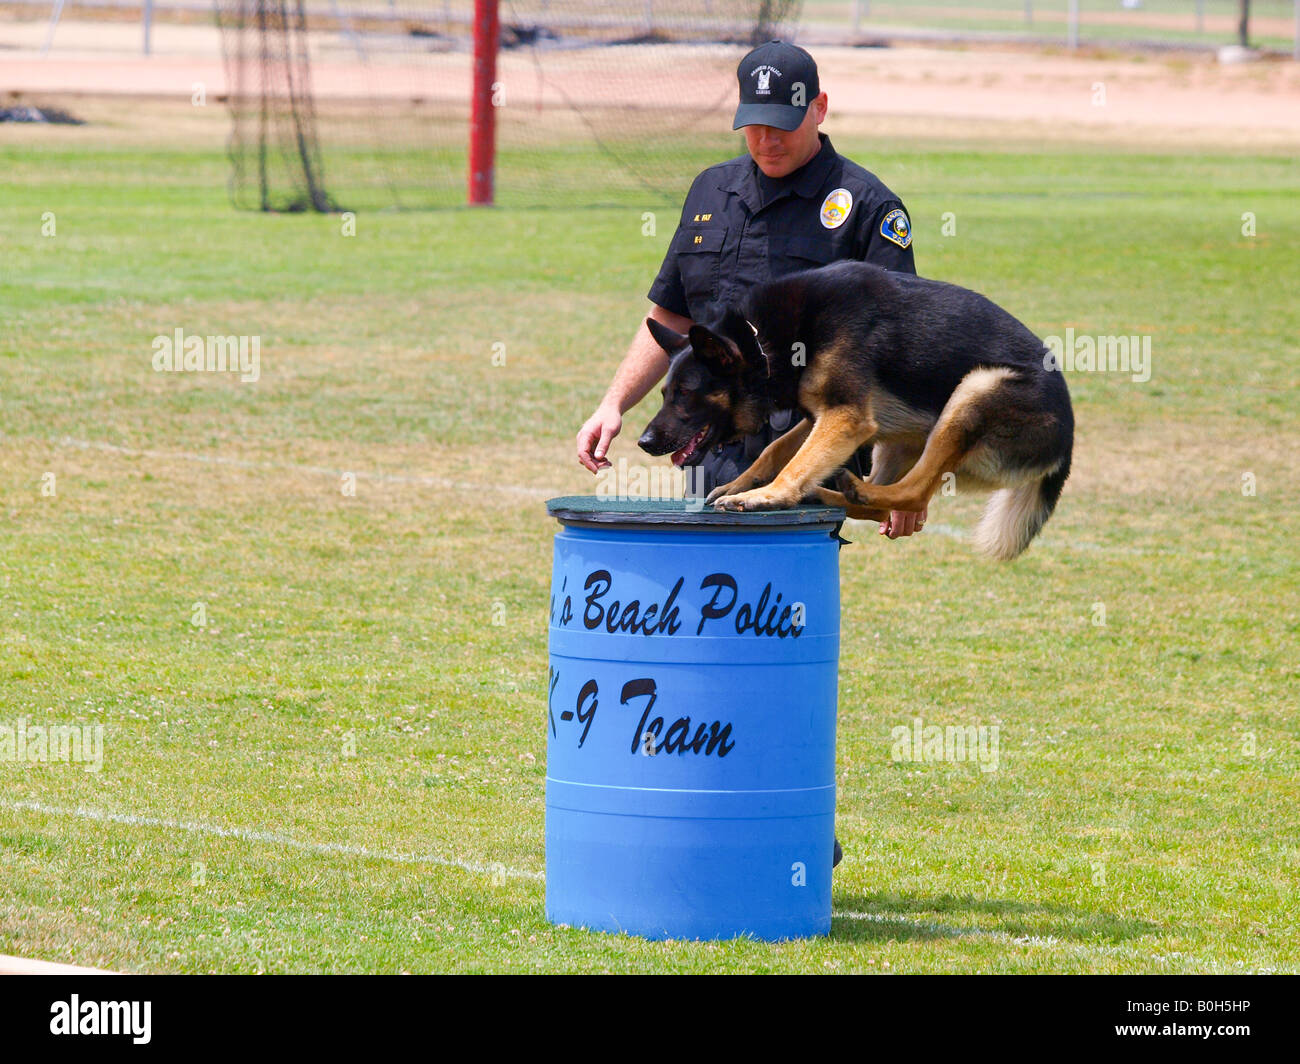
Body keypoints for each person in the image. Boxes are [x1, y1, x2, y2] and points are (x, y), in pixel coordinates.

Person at [576, 39, 928, 539]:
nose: (767, 140)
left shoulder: (869, 207)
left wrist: (907, 480)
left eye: (782, 124)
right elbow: (672, 317)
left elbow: (902, 353)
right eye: (754, 125)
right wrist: (613, 404)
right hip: (712, 439)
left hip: (806, 453)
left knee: (777, 606)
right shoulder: (710, 192)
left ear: (819, 108)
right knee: (707, 593)